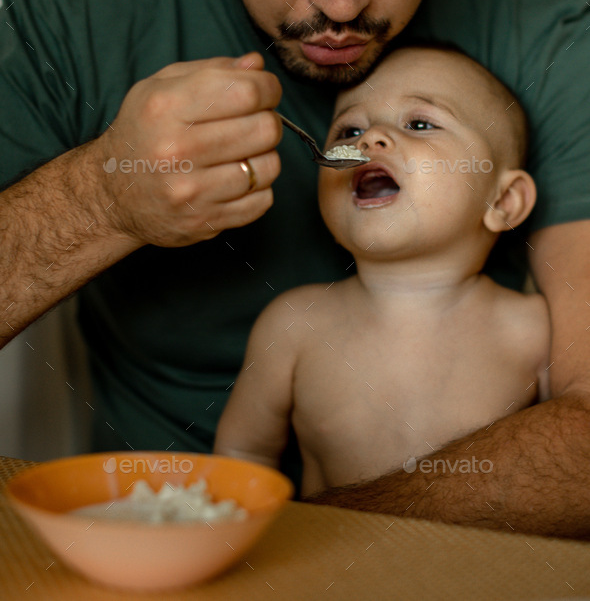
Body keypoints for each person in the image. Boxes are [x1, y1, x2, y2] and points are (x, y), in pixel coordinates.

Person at [1, 0, 590, 537]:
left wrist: (305, 547)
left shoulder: (554, 26)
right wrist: (100, 197)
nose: (342, 1)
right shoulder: (66, 3)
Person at [214, 45, 551, 495]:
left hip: (485, 565)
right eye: (349, 128)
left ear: (503, 201)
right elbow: (243, 456)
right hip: (333, 563)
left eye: (419, 123)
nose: (369, 138)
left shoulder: (531, 330)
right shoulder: (295, 325)